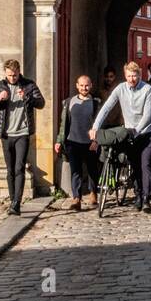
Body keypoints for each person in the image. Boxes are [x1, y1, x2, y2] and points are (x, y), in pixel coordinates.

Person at [90, 61, 151, 212]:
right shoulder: (120, 89)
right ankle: (138, 195)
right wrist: (95, 127)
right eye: (129, 76)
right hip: (129, 132)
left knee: (145, 164)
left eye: (134, 75)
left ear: (139, 75)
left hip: (146, 132)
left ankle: (146, 199)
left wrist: (136, 130)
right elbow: (106, 107)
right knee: (134, 165)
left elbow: (147, 115)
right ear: (125, 76)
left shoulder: (148, 89)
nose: (132, 79)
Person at [0, 58, 45, 215]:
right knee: (10, 169)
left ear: (19, 72)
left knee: (19, 168)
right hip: (6, 134)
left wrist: (27, 97)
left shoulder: (29, 85)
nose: (12, 78)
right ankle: (13, 201)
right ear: (5, 73)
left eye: (15, 75)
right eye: (10, 75)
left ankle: (17, 203)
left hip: (22, 133)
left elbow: (41, 103)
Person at [54, 74, 101, 210]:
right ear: (77, 86)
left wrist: (96, 140)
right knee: (76, 170)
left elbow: (99, 123)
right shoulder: (69, 102)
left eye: (86, 85)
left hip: (90, 142)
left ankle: (93, 193)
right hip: (73, 141)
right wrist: (59, 141)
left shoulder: (96, 103)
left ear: (91, 85)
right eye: (81, 85)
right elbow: (64, 124)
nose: (84, 88)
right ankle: (76, 198)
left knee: (92, 169)